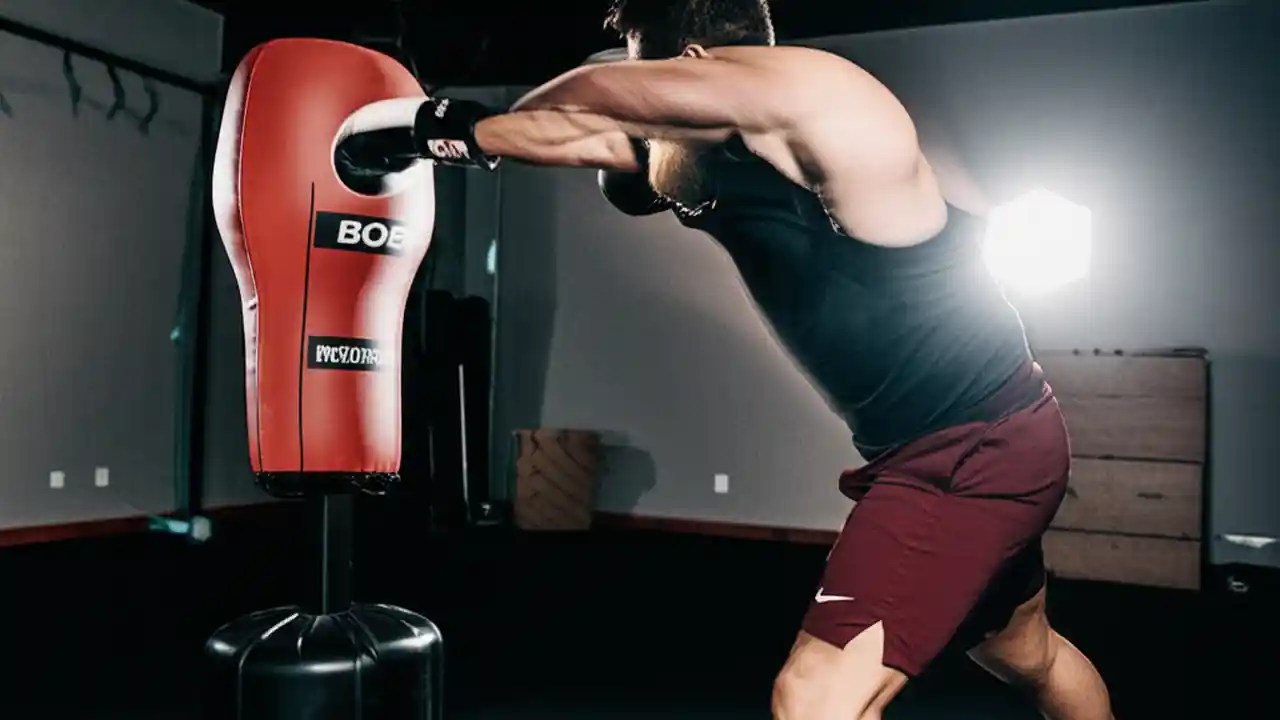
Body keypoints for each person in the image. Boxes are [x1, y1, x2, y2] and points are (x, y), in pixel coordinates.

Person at [337, 1, 1115, 718]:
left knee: (815, 700)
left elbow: (598, 97)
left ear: (700, 59)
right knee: (1028, 655)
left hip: (970, 450)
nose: (635, 78)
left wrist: (438, 112)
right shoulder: (697, 144)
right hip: (962, 437)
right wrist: (440, 135)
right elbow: (575, 133)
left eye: (651, 64)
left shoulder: (830, 105)